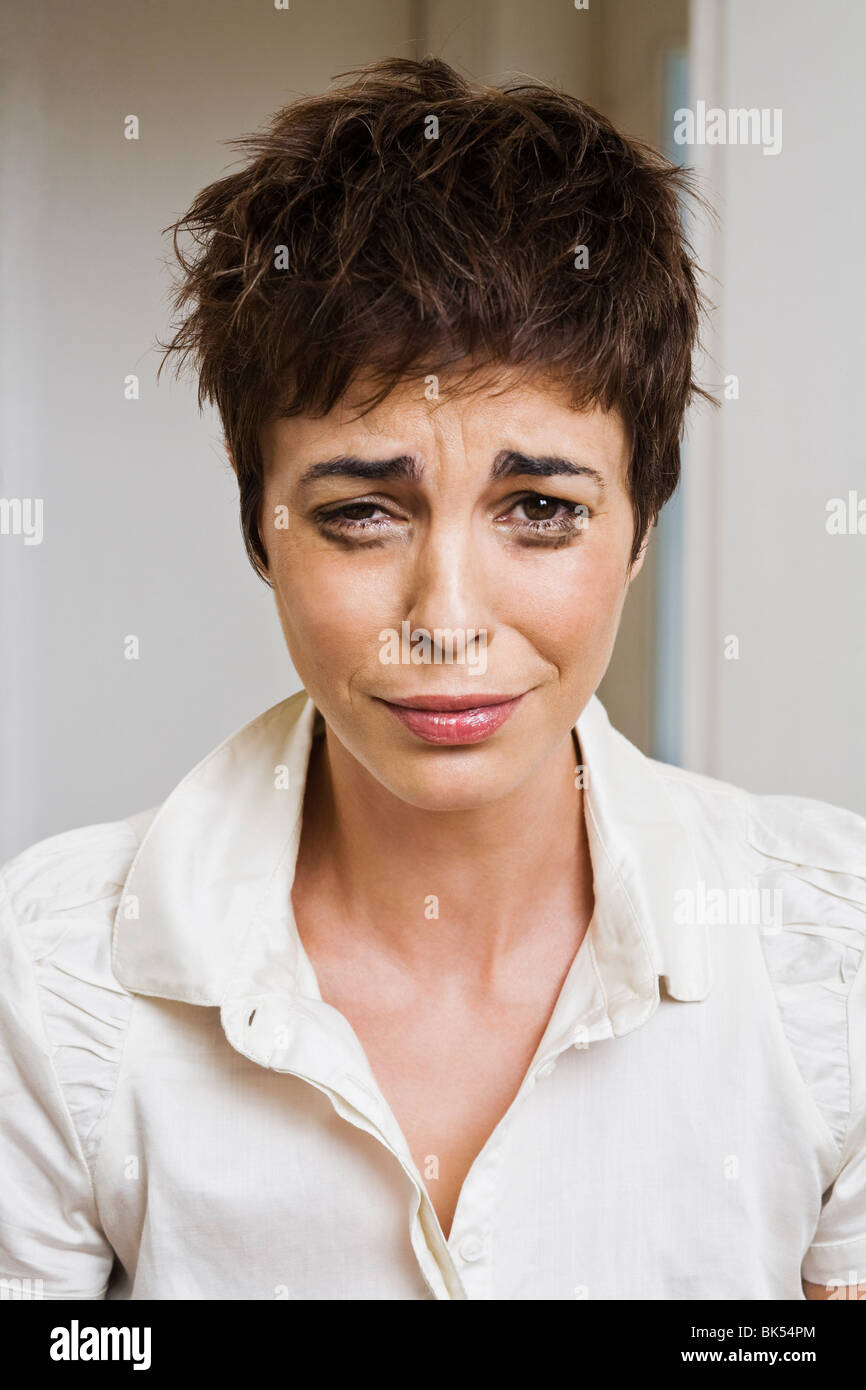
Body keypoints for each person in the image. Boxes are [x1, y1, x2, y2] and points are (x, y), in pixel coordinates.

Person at [1, 57, 864, 1302]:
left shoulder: (831, 962)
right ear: (258, 529)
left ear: (639, 526)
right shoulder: (54, 972)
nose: (444, 622)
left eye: (538, 509)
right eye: (360, 513)